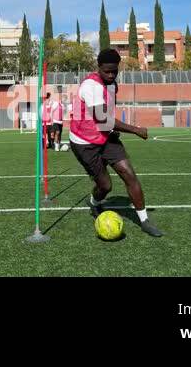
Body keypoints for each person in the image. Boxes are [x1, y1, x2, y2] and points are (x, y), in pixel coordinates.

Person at [69, 48, 163, 237]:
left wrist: (111, 131)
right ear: (99, 67)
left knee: (128, 173)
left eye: (115, 71)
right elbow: (102, 118)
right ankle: (94, 202)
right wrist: (136, 130)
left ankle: (144, 220)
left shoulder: (112, 85)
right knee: (105, 186)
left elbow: (107, 114)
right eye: (107, 71)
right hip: (84, 142)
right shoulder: (90, 86)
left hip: (105, 137)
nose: (111, 75)